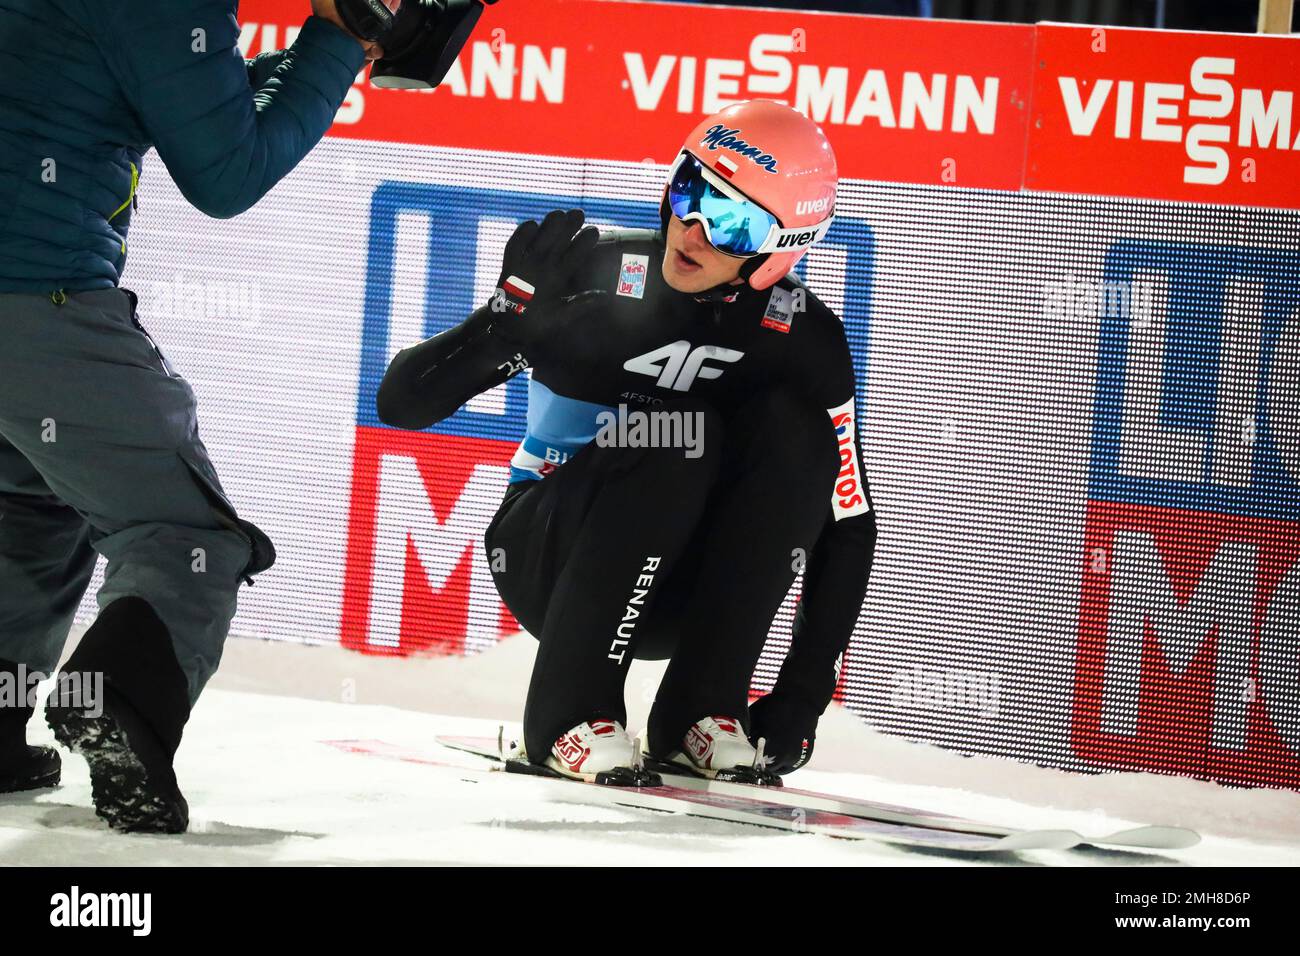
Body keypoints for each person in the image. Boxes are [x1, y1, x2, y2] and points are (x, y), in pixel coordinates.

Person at [378, 100, 878, 782]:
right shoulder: (597, 276)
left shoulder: (805, 340)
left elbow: (849, 523)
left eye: (730, 220)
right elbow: (402, 403)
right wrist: (500, 327)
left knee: (801, 439)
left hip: (679, 591)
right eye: (689, 189)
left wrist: (801, 697)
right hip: (546, 554)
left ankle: (701, 712)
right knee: (683, 429)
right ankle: (567, 715)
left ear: (780, 251)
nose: (691, 228)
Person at [0, 0, 397, 831]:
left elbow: (170, 97)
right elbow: (225, 176)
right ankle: (118, 700)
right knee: (184, 532)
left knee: (32, 501)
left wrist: (306, 59)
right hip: (37, 299)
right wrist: (334, 41)